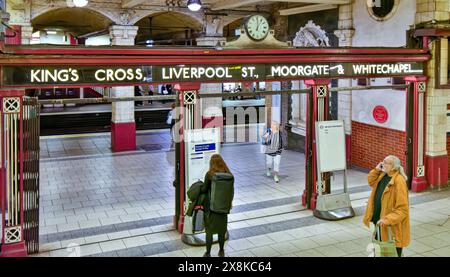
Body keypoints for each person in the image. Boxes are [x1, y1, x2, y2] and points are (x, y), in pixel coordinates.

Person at [363, 155, 410, 257]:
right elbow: (371, 181)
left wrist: (387, 219)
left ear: (394, 167)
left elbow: (403, 209)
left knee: (392, 249)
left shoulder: (399, 181)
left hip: (390, 224)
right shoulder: (382, 174)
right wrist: (376, 170)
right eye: (383, 161)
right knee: (381, 248)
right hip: (379, 221)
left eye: (386, 163)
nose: (383, 164)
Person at [201, 154, 234, 257]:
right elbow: (231, 191)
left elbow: (204, 189)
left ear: (212, 163)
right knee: (221, 230)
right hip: (224, 207)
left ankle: (208, 252)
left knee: (209, 231)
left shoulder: (210, 174)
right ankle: (221, 250)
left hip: (211, 208)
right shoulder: (228, 174)